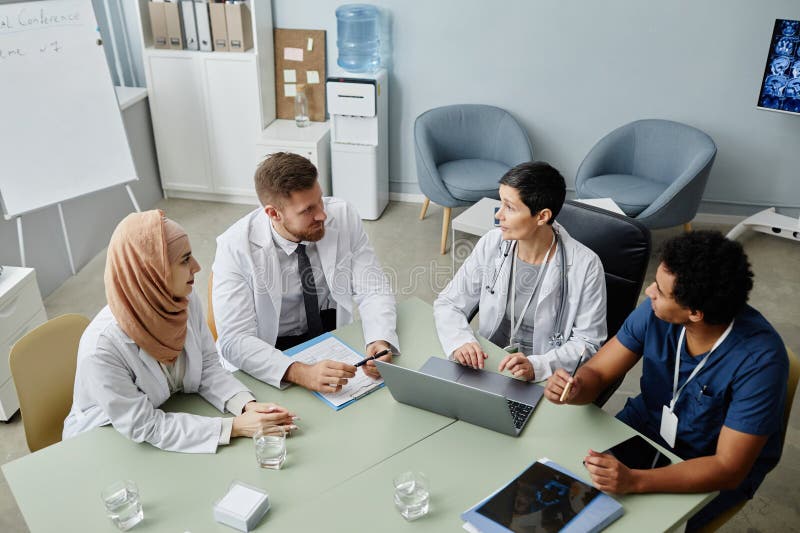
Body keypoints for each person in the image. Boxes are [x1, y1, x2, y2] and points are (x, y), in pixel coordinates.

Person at [544, 230, 788, 531]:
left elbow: (728, 468)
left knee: (623, 524)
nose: (649, 292)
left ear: (695, 313)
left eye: (660, 289)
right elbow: (598, 373)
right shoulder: (654, 311)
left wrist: (635, 481)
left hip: (706, 462)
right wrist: (576, 387)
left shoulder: (760, 361)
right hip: (647, 426)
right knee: (564, 490)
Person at [63, 211, 296, 454]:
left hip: (168, 414)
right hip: (106, 440)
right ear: (152, 271)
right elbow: (145, 425)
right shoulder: (102, 349)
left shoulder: (180, 299)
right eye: (185, 260)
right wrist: (234, 427)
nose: (197, 267)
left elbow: (206, 365)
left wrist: (245, 405)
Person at [212, 152, 398, 392]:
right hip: (272, 347)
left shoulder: (342, 215)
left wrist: (379, 339)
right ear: (273, 213)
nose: (322, 214)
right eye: (307, 210)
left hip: (328, 334)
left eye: (320, 200)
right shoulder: (234, 247)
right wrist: (299, 373)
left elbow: (372, 287)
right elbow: (234, 340)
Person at [434, 161, 607, 381]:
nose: (499, 215)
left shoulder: (586, 265)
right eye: (501, 203)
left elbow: (588, 343)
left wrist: (539, 365)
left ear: (542, 216)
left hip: (547, 376)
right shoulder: (492, 243)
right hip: (489, 363)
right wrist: (461, 341)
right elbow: (449, 303)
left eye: (510, 207)